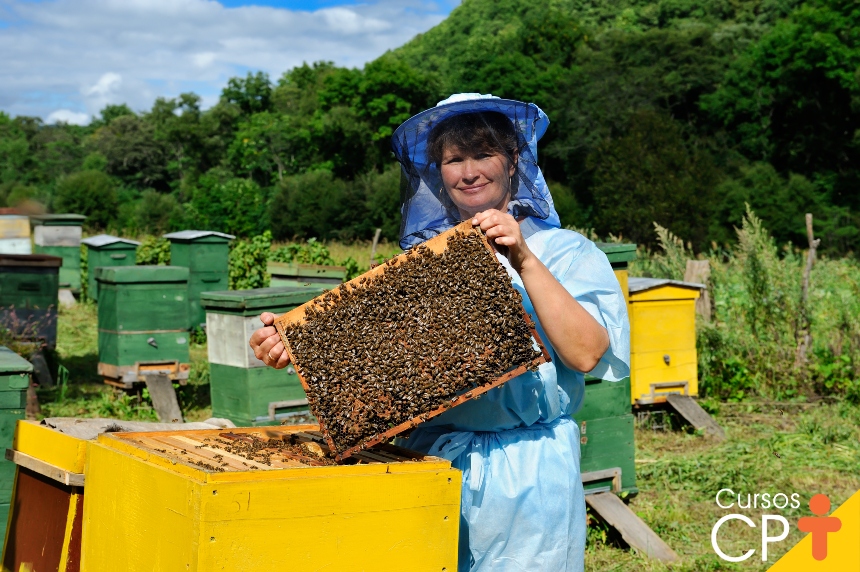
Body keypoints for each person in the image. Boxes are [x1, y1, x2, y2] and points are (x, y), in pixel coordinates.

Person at [250, 93, 630, 572]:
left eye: (482, 154)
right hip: (426, 465)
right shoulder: (423, 265)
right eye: (453, 159)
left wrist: (524, 259)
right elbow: (372, 371)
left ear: (513, 160)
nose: (468, 171)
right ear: (436, 170)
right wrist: (294, 344)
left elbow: (588, 354)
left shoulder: (567, 252)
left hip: (526, 476)